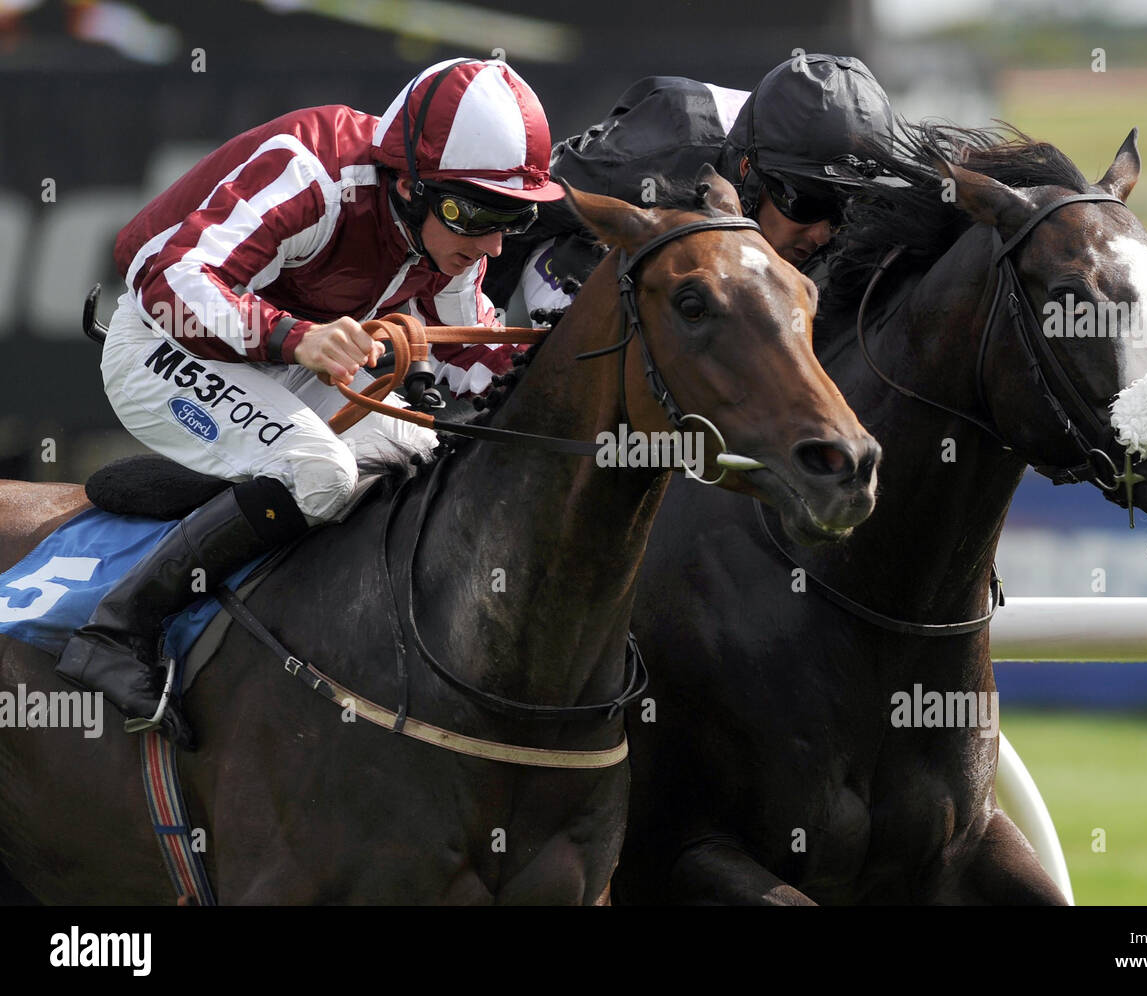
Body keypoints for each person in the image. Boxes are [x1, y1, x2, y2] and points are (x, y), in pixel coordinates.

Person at [57, 58, 565, 748]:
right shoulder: (314, 173)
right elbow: (162, 274)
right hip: (164, 343)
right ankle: (116, 629)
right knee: (320, 474)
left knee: (423, 455)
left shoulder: (450, 238)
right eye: (474, 213)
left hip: (280, 360)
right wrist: (293, 337)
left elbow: (475, 359)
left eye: (514, 217)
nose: (493, 243)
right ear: (410, 184)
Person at [483, 52, 894, 322]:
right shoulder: (665, 143)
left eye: (845, 210)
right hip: (578, 258)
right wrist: (475, 341)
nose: (823, 233)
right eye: (808, 203)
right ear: (748, 170)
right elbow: (521, 206)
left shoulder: (842, 218)